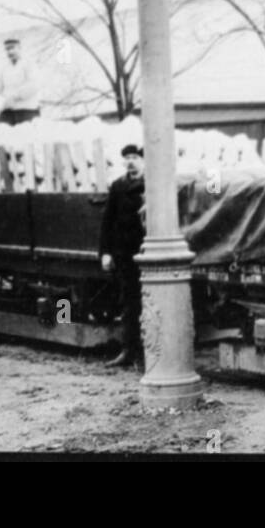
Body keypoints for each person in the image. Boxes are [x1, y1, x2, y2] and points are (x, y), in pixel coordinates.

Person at [100, 144, 146, 368]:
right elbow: (107, 221)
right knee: (129, 304)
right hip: (125, 255)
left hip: (147, 252)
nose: (131, 161)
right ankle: (129, 351)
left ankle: (150, 353)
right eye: (127, 157)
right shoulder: (118, 186)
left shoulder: (152, 183)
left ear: (143, 160)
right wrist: (106, 252)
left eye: (135, 157)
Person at [0, 37, 41, 126]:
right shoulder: (5, 68)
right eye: (7, 49)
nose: (10, 52)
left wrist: (15, 96)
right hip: (9, 110)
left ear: (19, 48)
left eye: (12, 48)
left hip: (27, 109)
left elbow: (34, 85)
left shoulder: (29, 64)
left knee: (25, 135)